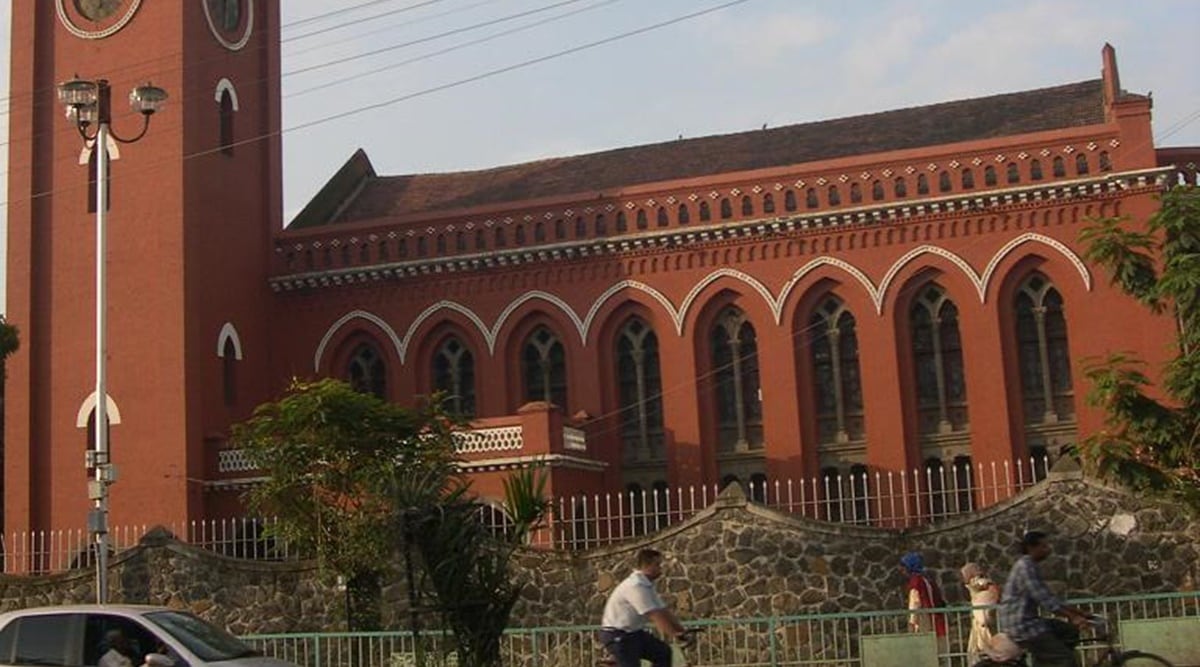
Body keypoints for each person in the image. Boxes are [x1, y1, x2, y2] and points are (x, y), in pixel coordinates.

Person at [999, 531, 1091, 667]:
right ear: (1031, 548)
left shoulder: (1031, 566)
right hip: (1022, 625)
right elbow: (1045, 600)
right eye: (1043, 546)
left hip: (1030, 621)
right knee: (1065, 659)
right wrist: (1073, 617)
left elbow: (1051, 597)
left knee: (1069, 631)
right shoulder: (1025, 567)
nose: (1048, 550)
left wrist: (1078, 613)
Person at [599, 548, 689, 667]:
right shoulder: (635, 586)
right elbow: (654, 615)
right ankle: (617, 660)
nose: (661, 568)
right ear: (648, 566)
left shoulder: (647, 586)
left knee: (663, 652)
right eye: (657, 565)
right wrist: (675, 634)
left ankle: (616, 661)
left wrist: (681, 630)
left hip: (634, 633)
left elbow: (663, 611)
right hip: (617, 634)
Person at [961, 562, 1001, 665]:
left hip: (985, 624)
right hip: (979, 623)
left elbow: (983, 585)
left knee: (985, 652)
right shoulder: (974, 585)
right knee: (975, 652)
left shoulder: (983, 583)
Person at [899, 551, 947, 638]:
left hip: (924, 619)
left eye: (904, 567)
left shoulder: (916, 582)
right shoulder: (927, 579)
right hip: (935, 616)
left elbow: (915, 603)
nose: (902, 571)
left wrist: (912, 622)